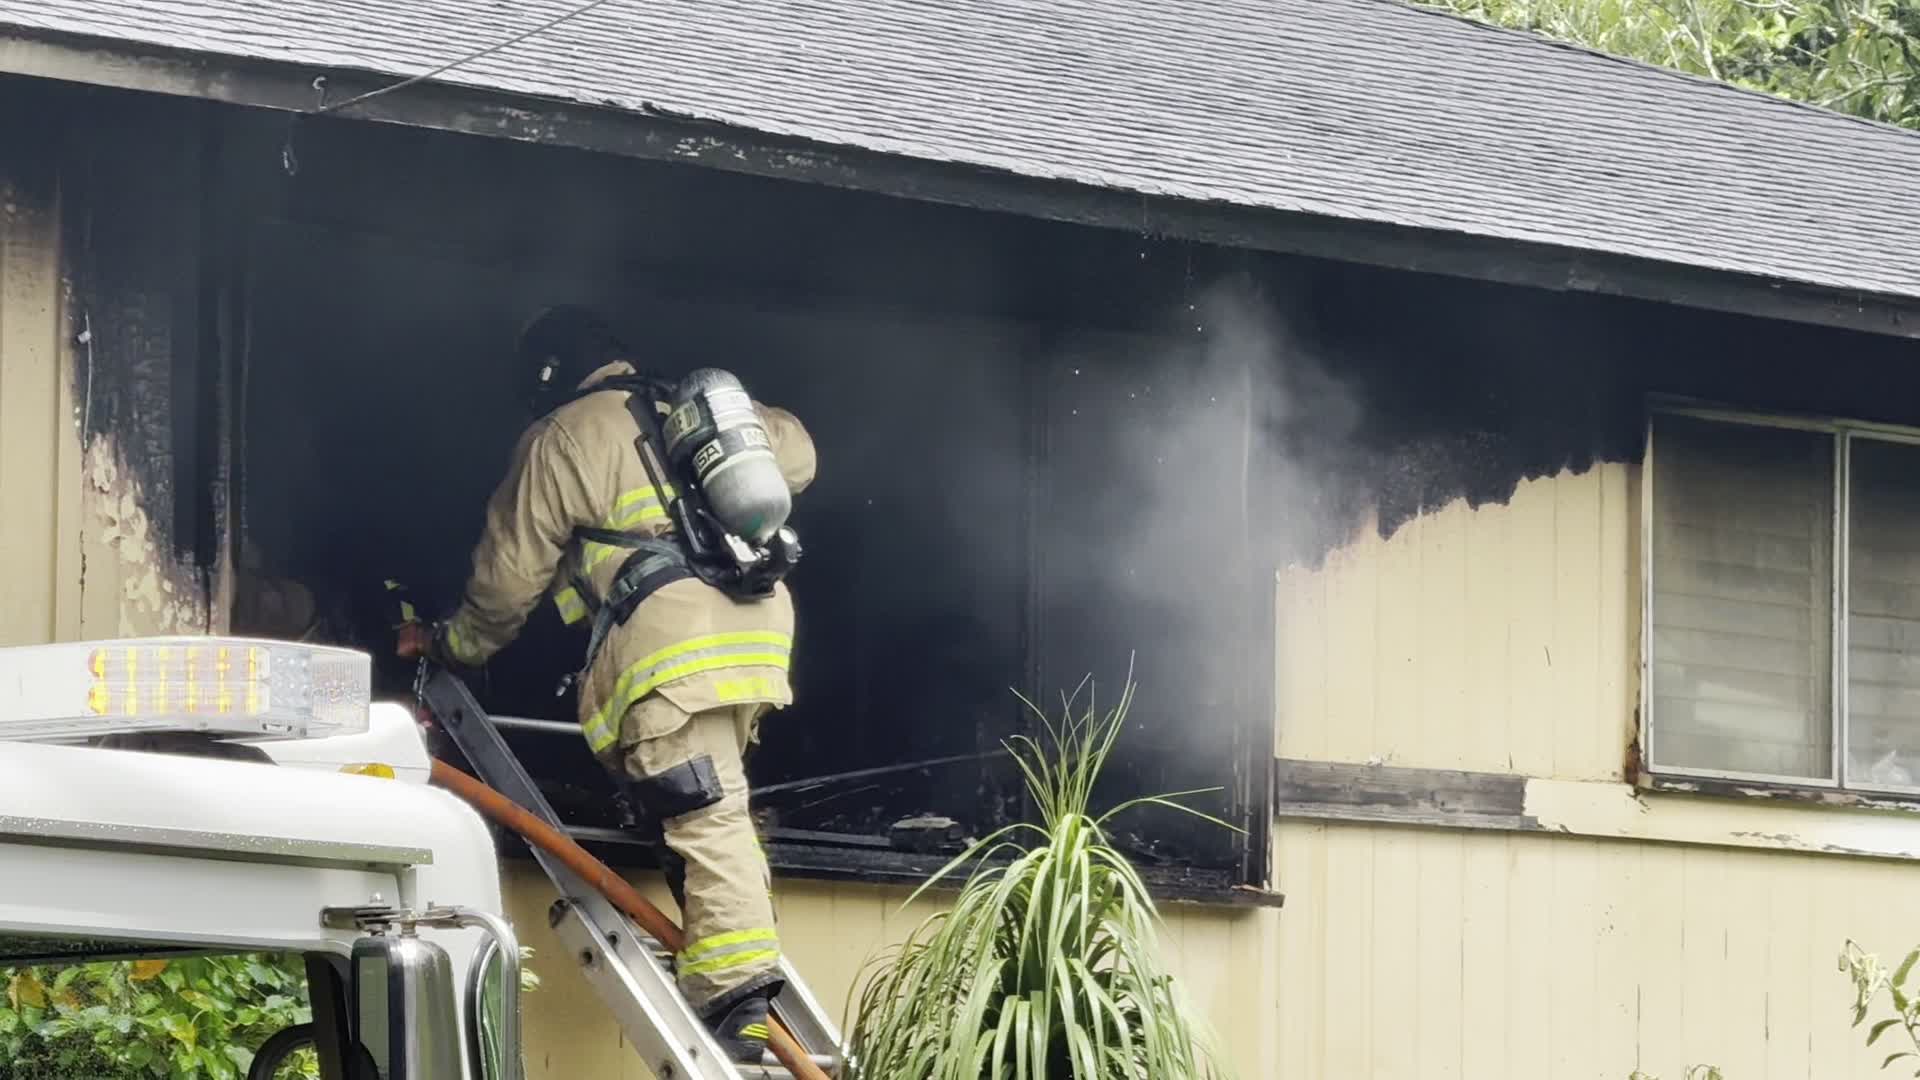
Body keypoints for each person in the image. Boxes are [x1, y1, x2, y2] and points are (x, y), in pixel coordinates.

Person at [401, 305, 816, 1062]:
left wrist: (453, 646)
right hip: (754, 624)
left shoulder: (561, 437)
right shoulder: (692, 409)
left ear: (546, 376)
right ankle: (725, 949)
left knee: (701, 808)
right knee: (708, 795)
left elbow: (506, 581)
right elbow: (799, 457)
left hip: (669, 637)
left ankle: (736, 996)